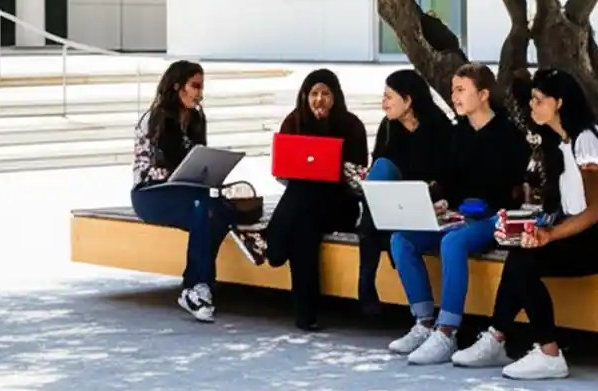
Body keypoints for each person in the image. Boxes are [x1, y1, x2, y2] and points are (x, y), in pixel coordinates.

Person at [461, 67, 598, 380]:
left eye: (539, 100)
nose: (532, 106)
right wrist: (529, 227)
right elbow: (567, 209)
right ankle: (497, 338)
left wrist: (550, 235)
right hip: (585, 231)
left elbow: (594, 211)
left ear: (559, 103)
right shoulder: (562, 144)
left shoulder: (587, 142)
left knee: (527, 258)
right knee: (521, 250)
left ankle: (548, 352)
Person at [387, 62, 532, 365]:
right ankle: (424, 322)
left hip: (494, 218)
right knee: (402, 239)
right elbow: (449, 179)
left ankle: (447, 332)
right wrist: (439, 201)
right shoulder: (458, 134)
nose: (454, 96)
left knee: (452, 244)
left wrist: (470, 206)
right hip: (458, 216)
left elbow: (509, 190)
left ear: (483, 94)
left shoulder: (508, 135)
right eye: (453, 90)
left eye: (461, 90)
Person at [129, 60, 239, 324]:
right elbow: (162, 166)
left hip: (188, 192)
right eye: (195, 86)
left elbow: (198, 158)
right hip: (151, 193)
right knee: (202, 205)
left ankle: (196, 285)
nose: (200, 93)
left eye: (202, 87)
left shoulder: (197, 118)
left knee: (221, 210)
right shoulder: (155, 119)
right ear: (178, 86)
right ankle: (198, 286)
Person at [262, 69, 369, 331]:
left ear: (336, 97)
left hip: (340, 204)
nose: (319, 100)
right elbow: (283, 173)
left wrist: (329, 161)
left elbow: (358, 178)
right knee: (303, 227)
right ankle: (305, 315)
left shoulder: (351, 125)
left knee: (302, 199)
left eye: (325, 94)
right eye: (313, 94)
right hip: (305, 206)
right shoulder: (294, 121)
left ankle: (274, 241)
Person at [357, 69, 453, 315]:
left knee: (371, 218)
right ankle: (366, 280)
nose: (384, 103)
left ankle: (366, 281)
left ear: (408, 100)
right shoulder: (388, 127)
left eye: (389, 97)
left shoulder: (437, 126)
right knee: (381, 170)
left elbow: (444, 176)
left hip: (426, 200)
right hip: (389, 201)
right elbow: (379, 166)